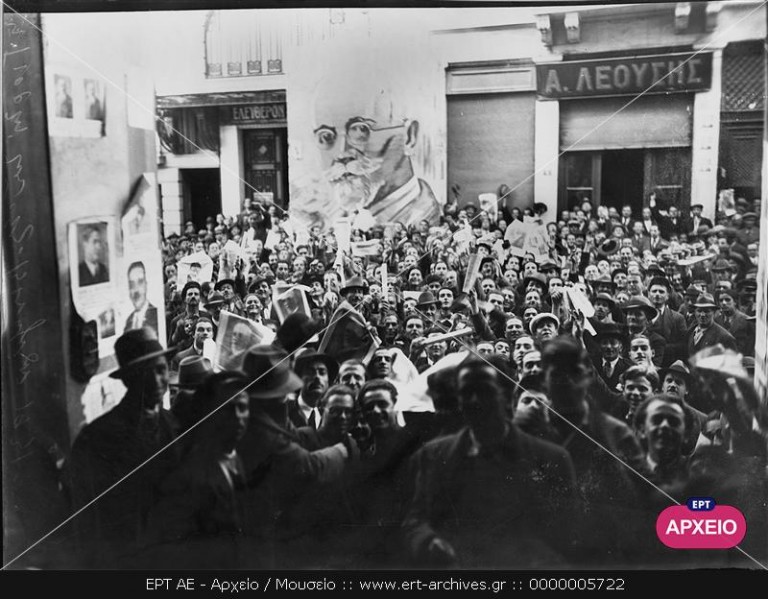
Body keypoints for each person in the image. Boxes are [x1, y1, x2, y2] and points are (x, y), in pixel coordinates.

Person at [403, 354, 579, 568]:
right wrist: (428, 542)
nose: (475, 400)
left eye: (484, 390)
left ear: (506, 396)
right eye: (467, 392)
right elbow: (416, 519)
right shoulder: (433, 455)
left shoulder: (550, 458)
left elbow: (566, 533)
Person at [65, 328, 182, 568]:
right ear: (129, 379)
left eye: (161, 371)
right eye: (146, 374)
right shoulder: (98, 437)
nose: (158, 381)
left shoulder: (173, 424)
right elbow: (87, 517)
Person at [297, 65, 441, 229]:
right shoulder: (324, 220)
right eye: (326, 136)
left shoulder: (423, 220)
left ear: (409, 137)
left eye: (361, 130)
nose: (341, 153)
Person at [141, 372, 253, 568]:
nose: (237, 417)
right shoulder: (189, 474)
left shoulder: (239, 458)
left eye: (242, 408)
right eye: (227, 409)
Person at [124, 261, 159, 335]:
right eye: (132, 284)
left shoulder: (157, 316)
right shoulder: (128, 322)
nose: (136, 290)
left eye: (140, 282)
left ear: (146, 285)